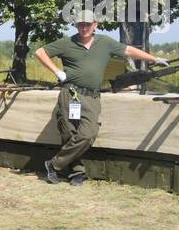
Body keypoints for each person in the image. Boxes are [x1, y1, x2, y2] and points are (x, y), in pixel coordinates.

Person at [34, 12, 167, 186]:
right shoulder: (67, 43)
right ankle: (76, 173)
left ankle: (54, 164)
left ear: (95, 25)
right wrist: (57, 72)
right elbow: (40, 52)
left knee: (88, 134)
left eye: (88, 24)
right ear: (76, 25)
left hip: (91, 96)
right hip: (70, 93)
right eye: (81, 24)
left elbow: (128, 50)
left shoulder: (105, 42)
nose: (84, 27)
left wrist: (154, 58)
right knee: (69, 133)